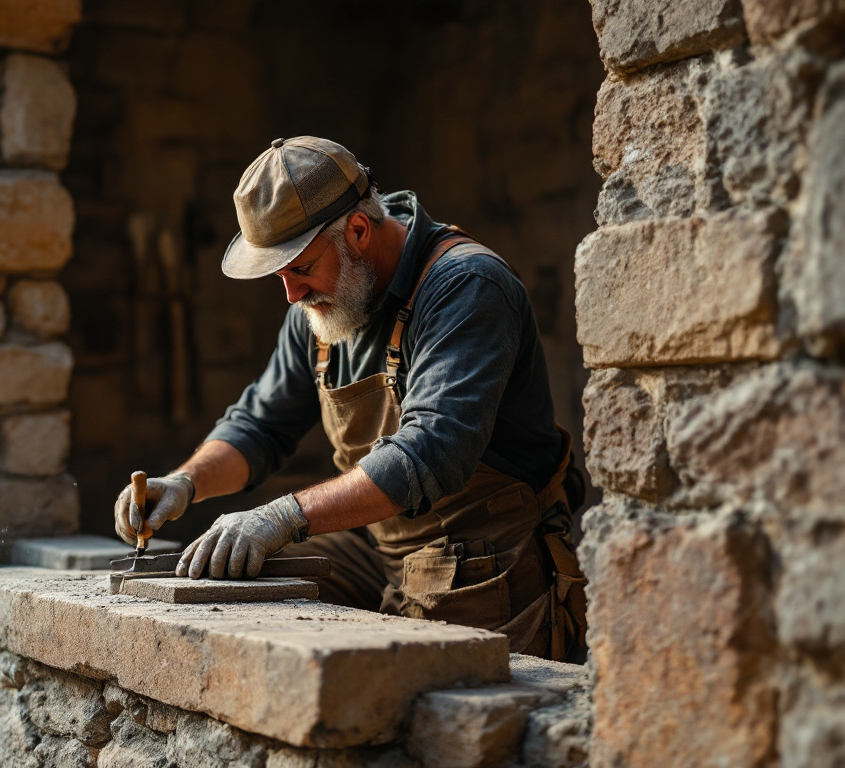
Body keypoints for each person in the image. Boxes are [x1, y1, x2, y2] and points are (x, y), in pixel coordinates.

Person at [113, 137, 587, 661]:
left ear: (358, 231)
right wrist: (186, 482)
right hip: (376, 543)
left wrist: (280, 516)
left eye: (300, 269)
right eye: (279, 274)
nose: (290, 295)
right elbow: (259, 425)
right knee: (235, 581)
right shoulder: (319, 306)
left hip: (479, 551)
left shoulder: (466, 286)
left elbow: (429, 455)